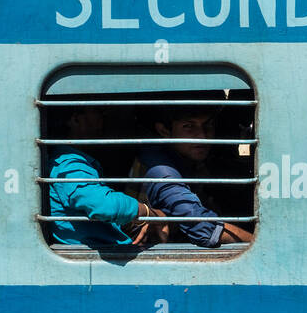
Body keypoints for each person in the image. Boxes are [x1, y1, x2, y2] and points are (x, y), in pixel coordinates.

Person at [128, 106, 253, 247]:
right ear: (164, 131)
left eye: (208, 125)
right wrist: (260, 242)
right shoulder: (161, 171)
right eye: (188, 126)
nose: (202, 136)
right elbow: (205, 230)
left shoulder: (186, 158)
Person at [47, 103, 166, 248]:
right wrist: (152, 214)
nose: (103, 116)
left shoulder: (66, 160)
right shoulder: (68, 163)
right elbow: (106, 206)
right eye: (97, 110)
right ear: (75, 119)